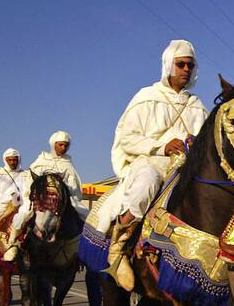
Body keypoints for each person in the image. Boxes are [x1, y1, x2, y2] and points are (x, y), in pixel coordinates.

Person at [89, 40, 209, 289]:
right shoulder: (146, 97)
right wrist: (162, 146)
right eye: (180, 64)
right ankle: (119, 245)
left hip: (185, 168)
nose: (186, 69)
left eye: (190, 65)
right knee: (147, 183)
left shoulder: (197, 106)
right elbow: (127, 138)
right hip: (150, 161)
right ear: (168, 66)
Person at [3, 133, 90, 262]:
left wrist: (62, 190)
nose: (63, 148)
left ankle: (84, 249)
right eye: (60, 145)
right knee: (23, 214)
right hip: (38, 197)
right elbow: (30, 182)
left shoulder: (68, 165)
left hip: (62, 198)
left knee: (87, 216)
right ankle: (13, 243)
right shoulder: (40, 162)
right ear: (53, 144)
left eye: (66, 145)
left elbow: (74, 188)